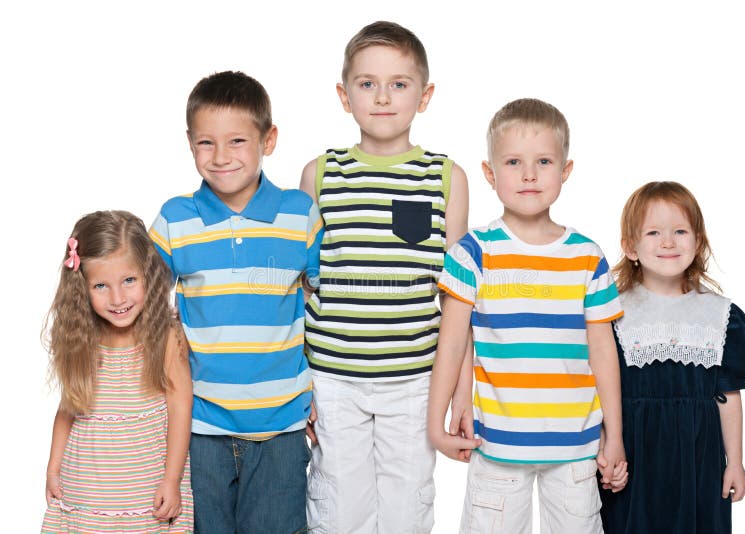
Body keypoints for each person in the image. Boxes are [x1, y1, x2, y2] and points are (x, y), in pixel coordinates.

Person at [299, 21, 470, 534]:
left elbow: (460, 299)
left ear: (424, 95)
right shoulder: (320, 174)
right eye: (367, 83)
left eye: (399, 83)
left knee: (406, 510)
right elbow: (299, 284)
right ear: (343, 94)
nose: (382, 97)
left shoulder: (445, 177)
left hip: (416, 379)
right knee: (336, 508)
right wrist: (296, 381)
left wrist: (462, 390)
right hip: (332, 376)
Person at [429, 98, 628, 534]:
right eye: (514, 162)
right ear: (490, 173)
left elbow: (603, 352)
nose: (529, 175)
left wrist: (615, 435)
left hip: (576, 445)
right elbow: (453, 342)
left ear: (566, 170)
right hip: (496, 442)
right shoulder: (473, 254)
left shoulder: (586, 257)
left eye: (543, 161)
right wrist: (436, 421)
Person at [149, 71, 323, 533]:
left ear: (269, 139)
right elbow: (139, 301)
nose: (221, 157)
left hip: (282, 424)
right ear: (190, 143)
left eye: (237, 141)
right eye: (206, 143)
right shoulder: (175, 218)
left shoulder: (299, 213)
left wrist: (324, 390)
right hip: (200, 426)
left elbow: (325, 304)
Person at [598, 181, 745, 534]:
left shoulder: (721, 316)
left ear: (697, 241)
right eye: (653, 232)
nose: (668, 242)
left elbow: (728, 396)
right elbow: (597, 391)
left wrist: (736, 462)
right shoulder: (611, 312)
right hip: (633, 454)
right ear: (630, 247)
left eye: (680, 231)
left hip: (699, 457)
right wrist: (606, 449)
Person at [41, 210, 193, 533]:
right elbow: (67, 410)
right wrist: (53, 468)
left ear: (148, 276)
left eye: (128, 280)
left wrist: (172, 478)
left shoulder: (165, 337)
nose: (118, 298)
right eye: (100, 286)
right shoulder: (84, 340)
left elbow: (181, 408)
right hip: (86, 496)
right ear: (81, 287)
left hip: (145, 498)